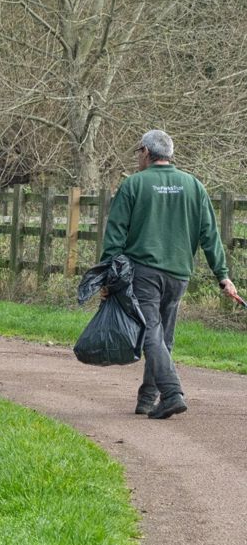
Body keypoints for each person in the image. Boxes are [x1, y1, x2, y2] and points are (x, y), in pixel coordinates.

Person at [100, 128, 239, 419]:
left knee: (151, 332)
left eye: (139, 151)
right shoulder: (193, 186)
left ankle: (172, 393)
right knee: (163, 335)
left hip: (144, 272)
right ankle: (148, 398)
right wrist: (222, 275)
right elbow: (209, 236)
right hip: (179, 274)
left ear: (147, 153)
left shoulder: (134, 185)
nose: (138, 156)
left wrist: (107, 276)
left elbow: (114, 236)